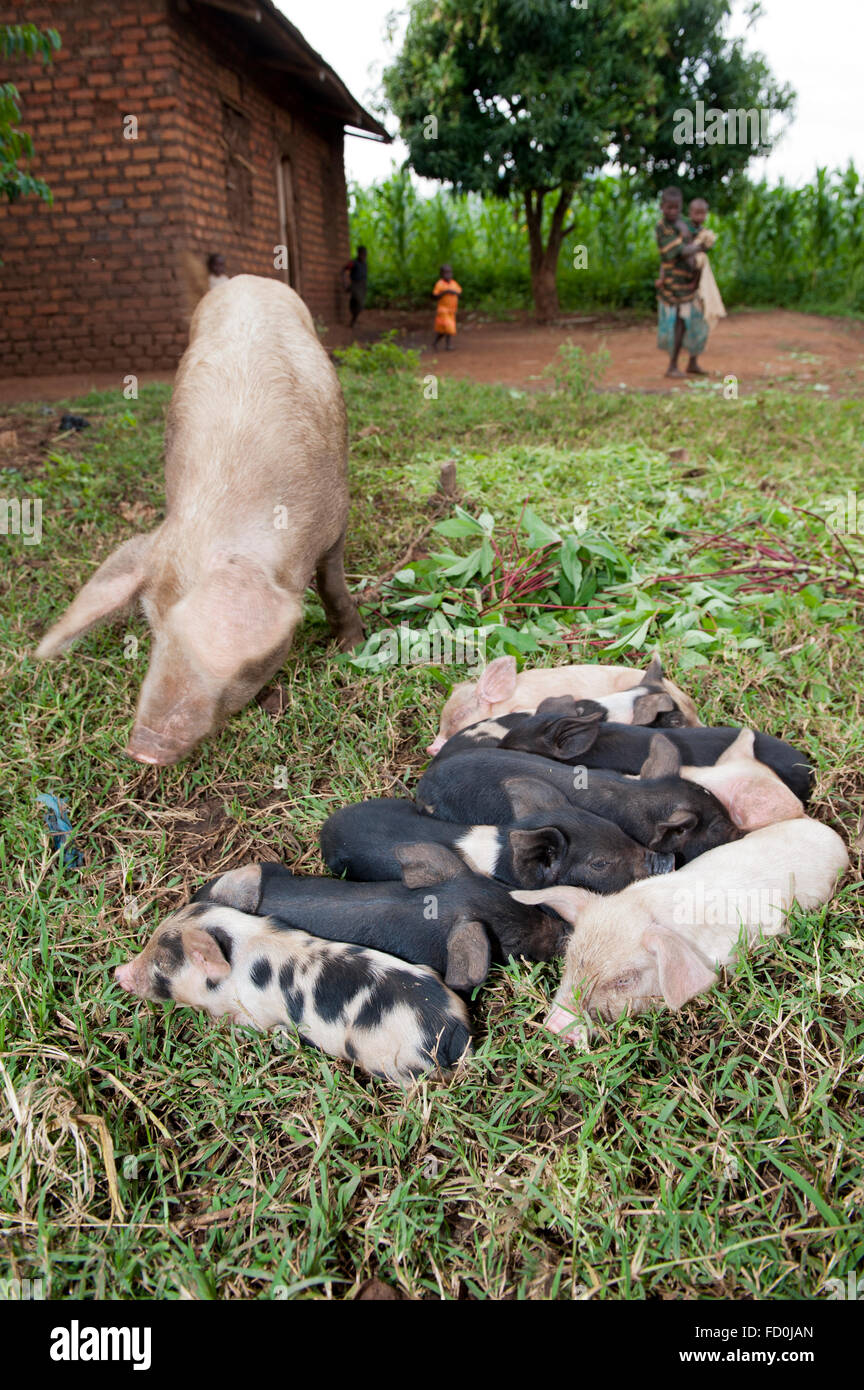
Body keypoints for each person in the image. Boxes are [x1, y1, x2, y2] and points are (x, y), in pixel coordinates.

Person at [654, 187, 708, 378]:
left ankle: (692, 362)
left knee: (695, 321)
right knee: (679, 322)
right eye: (669, 208)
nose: (673, 212)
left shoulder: (683, 224)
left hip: (689, 283)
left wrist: (701, 241)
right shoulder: (662, 228)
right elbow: (678, 251)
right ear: (662, 207)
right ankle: (672, 366)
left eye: (676, 208)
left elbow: (694, 240)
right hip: (674, 284)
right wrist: (700, 246)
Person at [687, 197, 727, 335]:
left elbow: (704, 250)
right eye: (696, 213)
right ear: (690, 213)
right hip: (686, 264)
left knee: (701, 259)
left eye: (703, 213)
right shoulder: (686, 230)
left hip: (699, 269)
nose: (700, 216)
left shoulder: (705, 233)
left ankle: (694, 284)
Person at [432, 265, 462, 350]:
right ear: (441, 274)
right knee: (449, 327)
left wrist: (453, 292)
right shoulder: (440, 284)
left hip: (452, 310)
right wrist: (446, 292)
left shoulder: (454, 283)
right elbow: (435, 296)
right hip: (443, 310)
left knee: (443, 330)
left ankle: (438, 343)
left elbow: (459, 293)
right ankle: (448, 345)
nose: (448, 274)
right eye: (446, 272)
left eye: (450, 272)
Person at [342, 246, 368, 328]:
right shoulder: (353, 263)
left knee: (357, 303)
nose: (364, 256)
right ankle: (353, 320)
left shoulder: (364, 264)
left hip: (362, 286)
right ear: (359, 254)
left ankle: (353, 320)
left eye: (365, 254)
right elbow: (344, 270)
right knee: (358, 302)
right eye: (363, 254)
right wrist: (345, 283)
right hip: (355, 285)